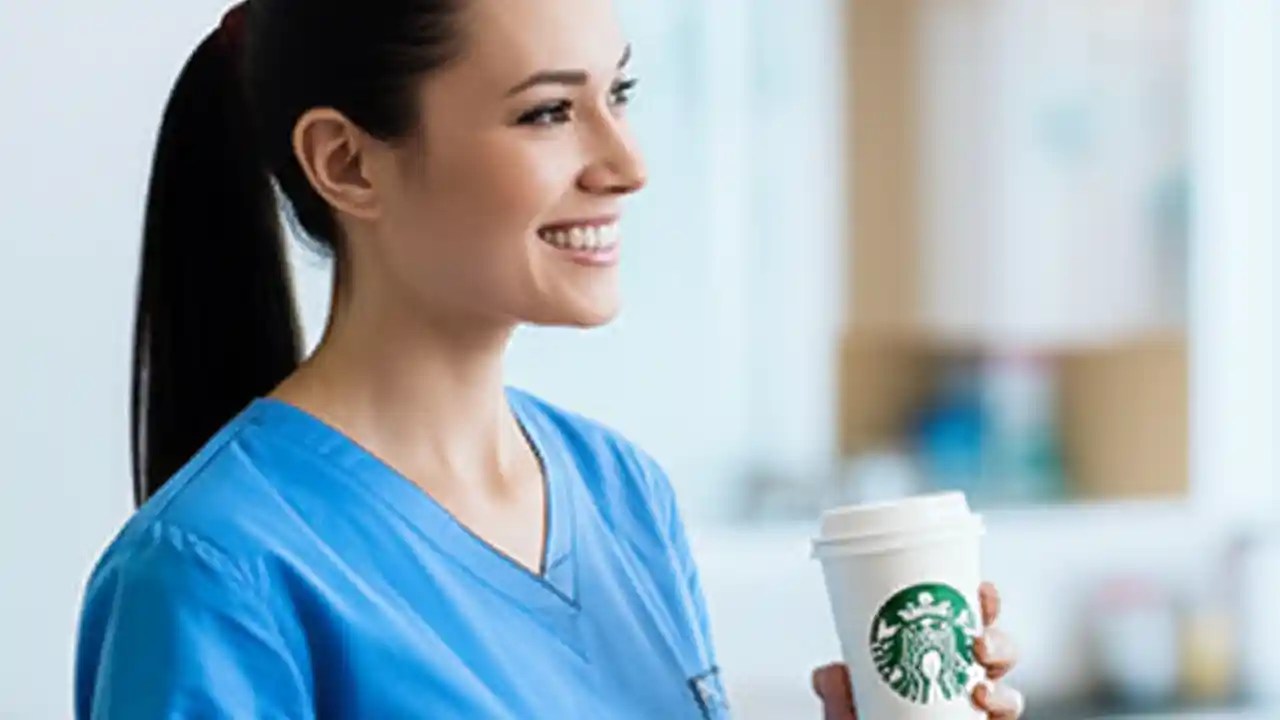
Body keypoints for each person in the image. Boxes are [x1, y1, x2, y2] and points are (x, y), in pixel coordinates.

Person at [73, 0, 1024, 718]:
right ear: (349, 163)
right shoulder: (214, 570)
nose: (628, 162)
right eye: (545, 113)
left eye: (619, 94)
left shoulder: (622, 493)